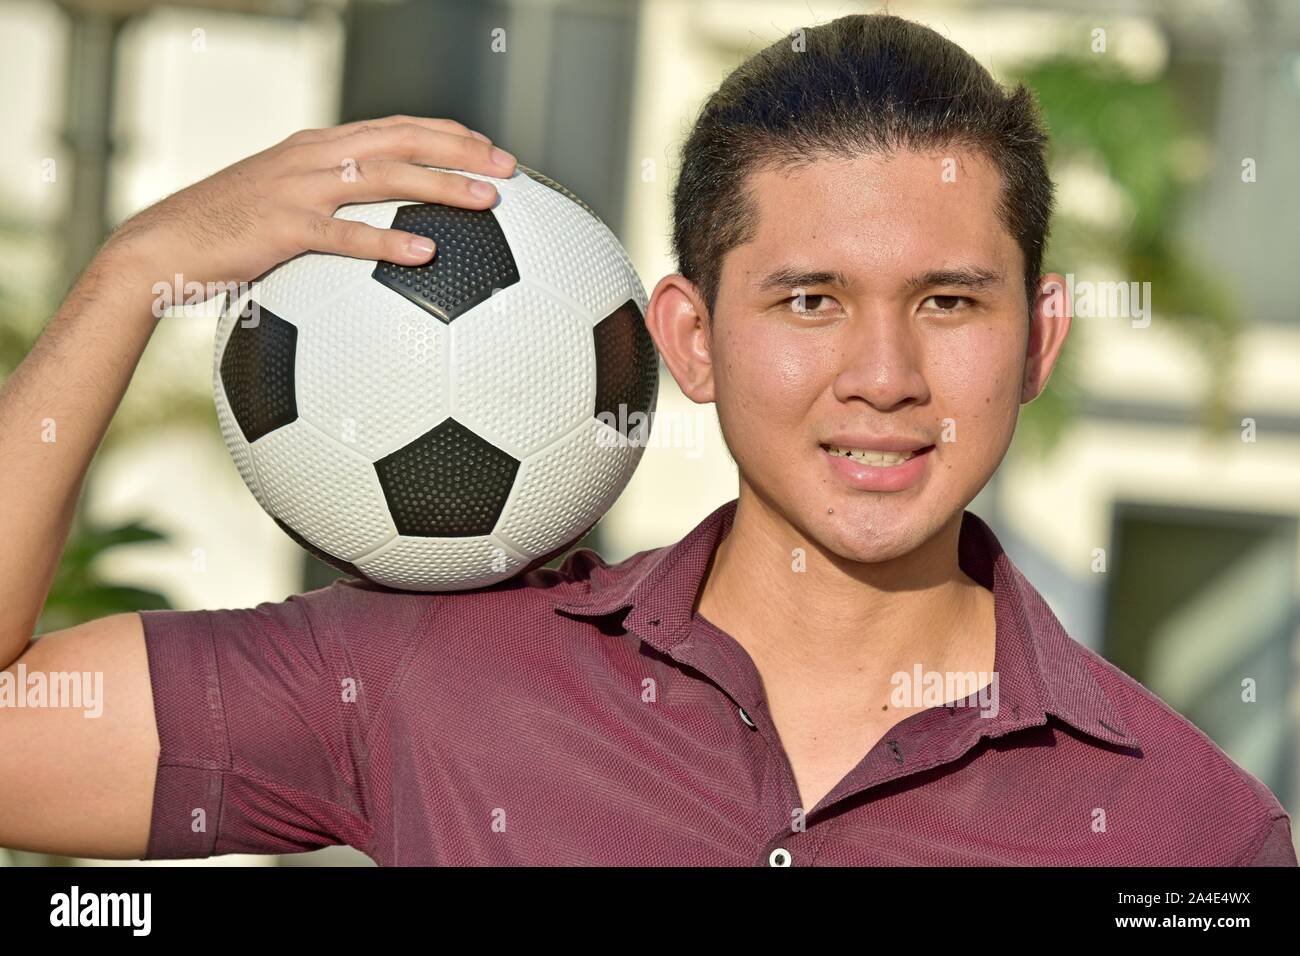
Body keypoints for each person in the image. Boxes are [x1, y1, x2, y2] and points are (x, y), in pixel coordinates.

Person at [0, 13, 1292, 866]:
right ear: (689, 338)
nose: (884, 376)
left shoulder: (1190, 834)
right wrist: (137, 273)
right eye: (810, 301)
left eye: (948, 302)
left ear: (1039, 338)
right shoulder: (426, 672)